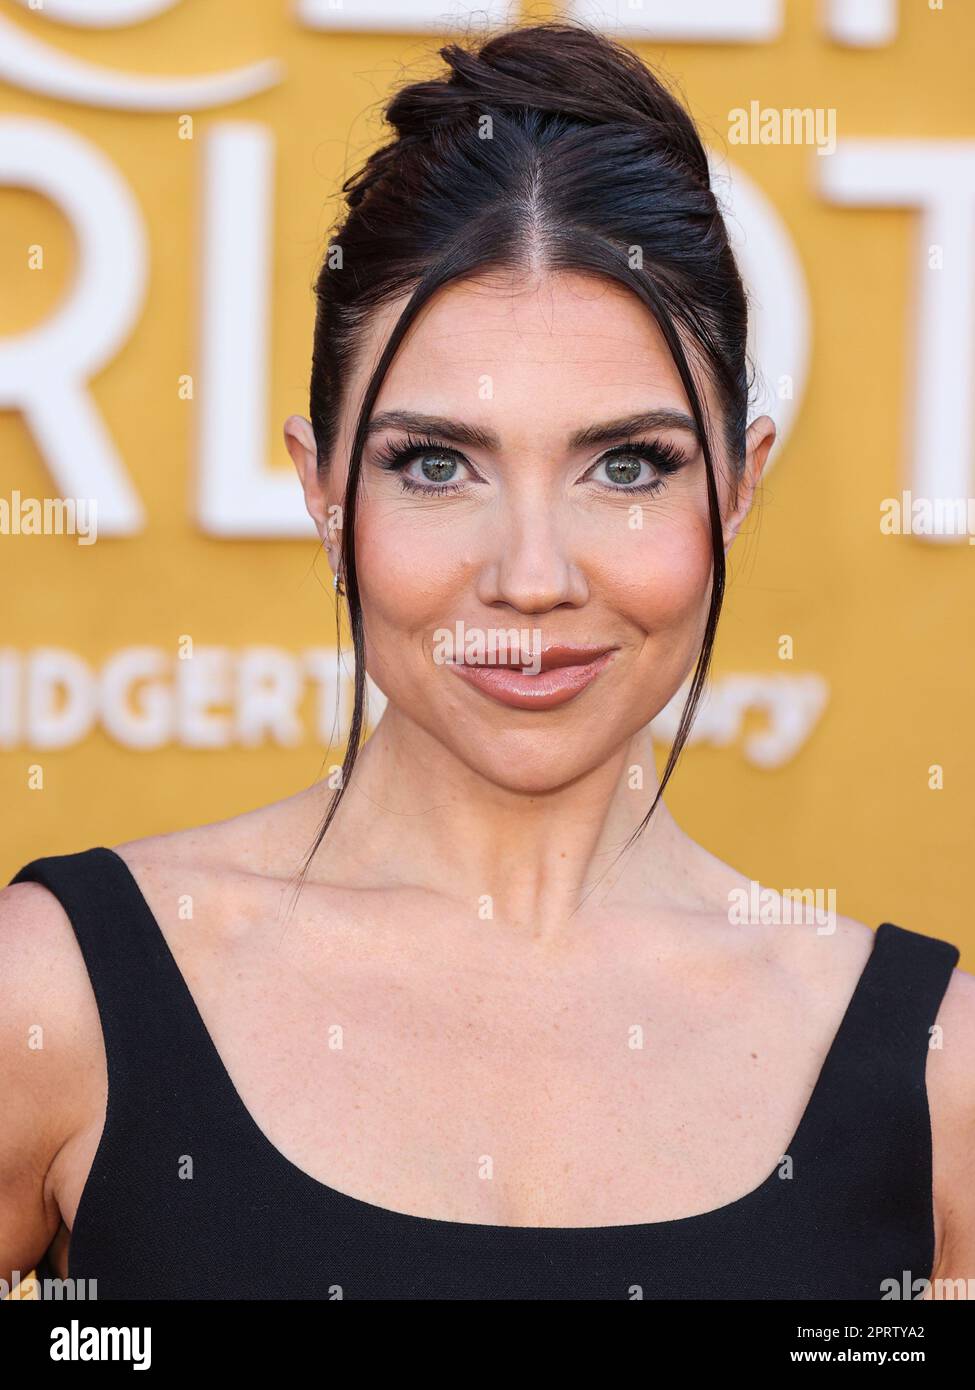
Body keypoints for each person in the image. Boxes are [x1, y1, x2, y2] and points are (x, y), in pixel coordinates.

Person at [2, 20, 973, 1301]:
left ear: (739, 485)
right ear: (323, 484)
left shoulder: (934, 1075)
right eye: (437, 463)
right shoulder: (60, 994)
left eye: (627, 465)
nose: (531, 574)